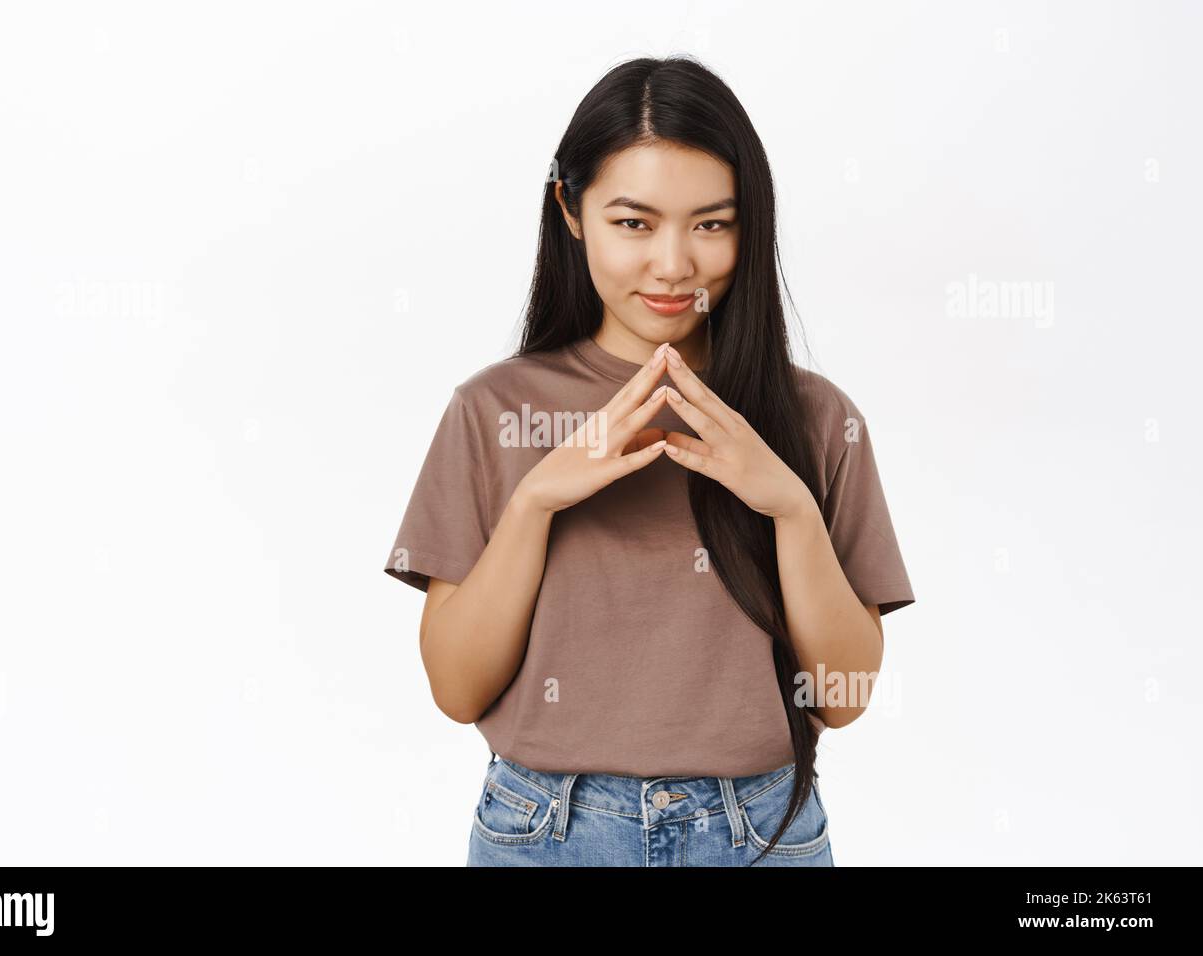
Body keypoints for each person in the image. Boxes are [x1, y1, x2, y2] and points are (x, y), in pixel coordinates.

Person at [383, 55, 915, 866]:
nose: (674, 265)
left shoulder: (817, 418)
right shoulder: (491, 412)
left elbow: (842, 699)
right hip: (547, 830)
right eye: (634, 222)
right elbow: (457, 693)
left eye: (712, 223)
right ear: (570, 209)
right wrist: (537, 501)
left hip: (761, 830)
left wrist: (790, 508)